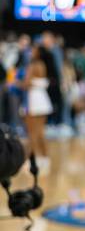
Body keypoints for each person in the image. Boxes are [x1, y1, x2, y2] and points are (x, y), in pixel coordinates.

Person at [21, 44, 53, 173]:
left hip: (33, 101)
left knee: (32, 133)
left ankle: (31, 161)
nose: (31, 51)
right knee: (40, 133)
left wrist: (18, 82)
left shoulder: (33, 65)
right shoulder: (43, 65)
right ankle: (45, 159)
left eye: (33, 49)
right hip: (43, 100)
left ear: (38, 52)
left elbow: (26, 83)